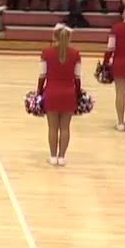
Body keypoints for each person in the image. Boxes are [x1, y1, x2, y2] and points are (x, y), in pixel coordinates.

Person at [39, 24, 81, 166]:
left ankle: (52, 156)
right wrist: (78, 94)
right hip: (69, 93)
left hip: (51, 92)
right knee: (65, 127)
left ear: (54, 36)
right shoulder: (75, 54)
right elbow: (77, 78)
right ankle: (62, 157)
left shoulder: (46, 53)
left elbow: (42, 76)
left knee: (52, 127)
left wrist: (39, 93)